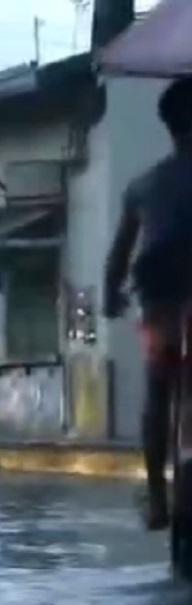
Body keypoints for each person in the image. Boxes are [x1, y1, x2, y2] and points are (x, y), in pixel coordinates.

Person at [103, 76, 192, 531]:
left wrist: (109, 295)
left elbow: (120, 254)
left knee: (158, 391)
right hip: (169, 293)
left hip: (157, 295)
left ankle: (156, 497)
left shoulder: (143, 185)